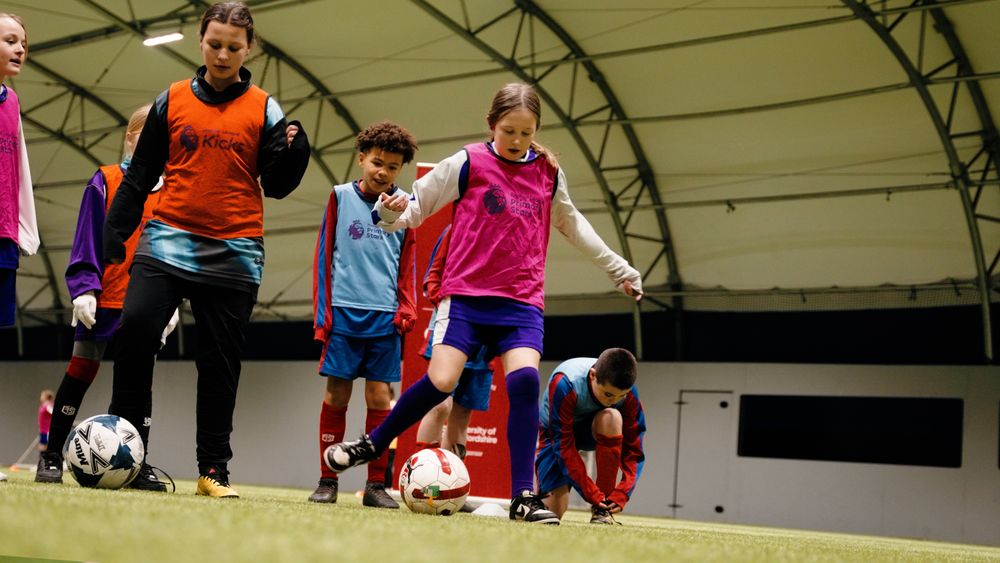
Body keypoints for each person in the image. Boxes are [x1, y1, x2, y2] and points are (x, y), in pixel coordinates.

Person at [325, 82, 643, 525]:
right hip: (467, 298)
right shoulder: (468, 162)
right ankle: (373, 444)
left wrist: (620, 270)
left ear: (537, 131)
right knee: (441, 381)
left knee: (525, 384)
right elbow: (412, 211)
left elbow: (575, 226)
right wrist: (389, 211)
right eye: (509, 131)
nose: (516, 141)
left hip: (521, 302)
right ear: (492, 125)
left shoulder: (548, 172)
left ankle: (523, 497)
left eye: (526, 133)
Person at [103, 1, 309, 499]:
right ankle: (130, 460)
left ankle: (213, 470)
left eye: (233, 47)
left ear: (249, 48)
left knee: (219, 362)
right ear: (201, 41)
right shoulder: (170, 100)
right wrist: (115, 230)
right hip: (167, 240)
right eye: (215, 44)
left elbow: (277, 185)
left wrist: (297, 151)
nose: (222, 54)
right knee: (135, 332)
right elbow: (140, 173)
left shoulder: (264, 107)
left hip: (235, 251)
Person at [35, 105, 178, 490]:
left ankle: (136, 466)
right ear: (130, 139)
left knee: (138, 384)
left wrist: (173, 304)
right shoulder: (106, 180)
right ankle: (50, 456)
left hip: (145, 303)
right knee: (82, 369)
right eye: (145, 136)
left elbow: (174, 250)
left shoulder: (174, 193)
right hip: (103, 298)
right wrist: (83, 287)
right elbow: (87, 235)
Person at [310, 121, 418, 508]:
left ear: (400, 169)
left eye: (391, 166)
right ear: (360, 159)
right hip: (343, 314)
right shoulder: (339, 196)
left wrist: (407, 307)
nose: (382, 172)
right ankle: (327, 480)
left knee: (379, 397)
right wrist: (323, 317)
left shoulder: (406, 206)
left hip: (384, 318)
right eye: (376, 162)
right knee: (337, 394)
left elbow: (408, 264)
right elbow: (323, 257)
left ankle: (376, 485)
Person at [536, 349, 646, 525]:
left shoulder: (629, 393)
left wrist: (624, 491)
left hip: (595, 429)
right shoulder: (566, 383)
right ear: (593, 375)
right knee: (551, 514)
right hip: (556, 436)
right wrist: (590, 492)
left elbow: (634, 449)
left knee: (612, 416)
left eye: (621, 396)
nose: (614, 400)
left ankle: (602, 510)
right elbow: (563, 445)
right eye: (608, 394)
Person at [413, 225, 494, 461]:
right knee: (439, 405)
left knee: (463, 412)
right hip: (451, 327)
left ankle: (453, 487)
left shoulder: (510, 232)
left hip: (485, 335)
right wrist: (449, 311)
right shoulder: (458, 227)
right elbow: (433, 276)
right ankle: (424, 479)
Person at [0, 12, 39, 328]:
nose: (20, 50)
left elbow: (19, 168)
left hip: (4, 236)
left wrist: (23, 228)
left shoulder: (11, 101)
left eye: (23, 44)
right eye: (10, 41)